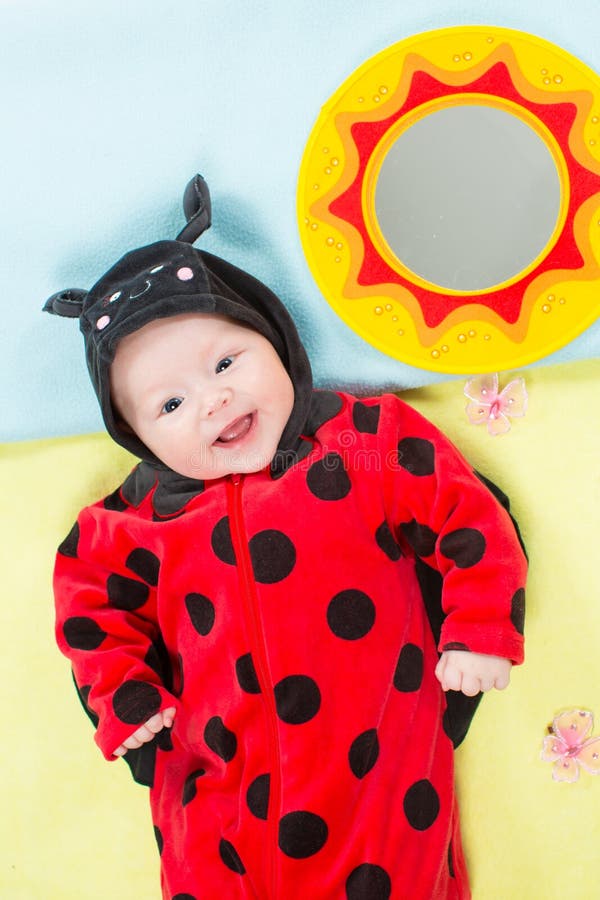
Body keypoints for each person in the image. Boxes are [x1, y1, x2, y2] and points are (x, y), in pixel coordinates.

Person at [45, 176, 527, 900]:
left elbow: (465, 513)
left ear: (275, 339)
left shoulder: (358, 446)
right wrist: (127, 697)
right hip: (217, 801)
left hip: (382, 782)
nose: (214, 399)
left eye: (227, 362)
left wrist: (481, 627)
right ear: (137, 438)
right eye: (170, 404)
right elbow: (89, 615)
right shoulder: (130, 526)